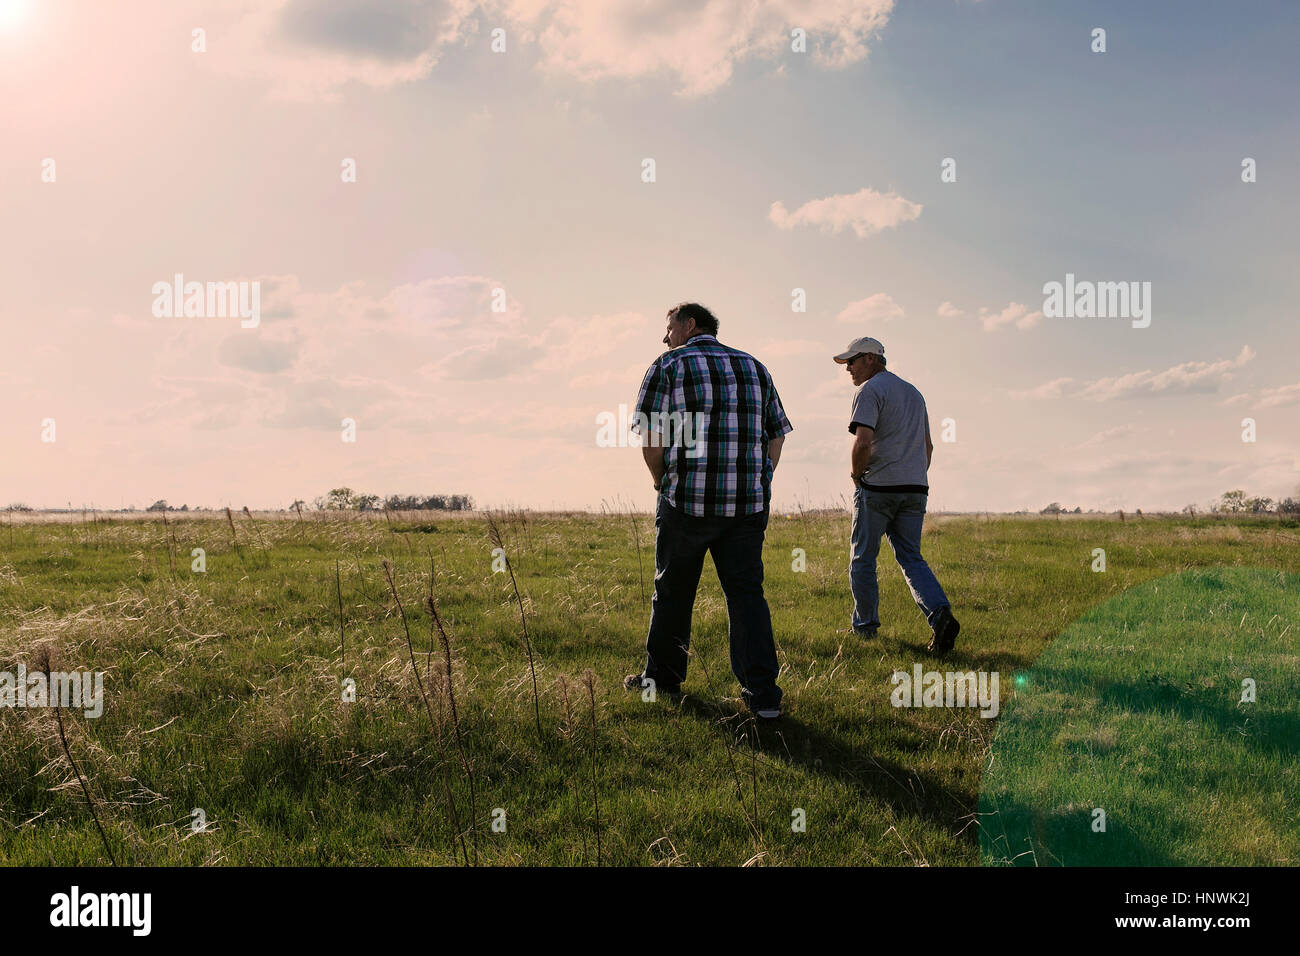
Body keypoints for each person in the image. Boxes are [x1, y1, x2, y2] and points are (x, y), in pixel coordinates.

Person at [624, 303, 793, 718]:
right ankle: (763, 696)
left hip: (687, 503)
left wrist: (660, 481)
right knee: (747, 596)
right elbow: (777, 436)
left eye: (669, 328)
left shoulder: (668, 365)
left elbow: (651, 436)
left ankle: (662, 679)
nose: (665, 337)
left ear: (690, 325)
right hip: (747, 507)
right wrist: (761, 479)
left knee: (673, 592)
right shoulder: (755, 367)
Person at [834, 336, 960, 653]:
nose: (848, 367)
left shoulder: (869, 391)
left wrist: (856, 477)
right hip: (915, 488)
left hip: (877, 489)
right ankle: (940, 615)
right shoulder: (914, 394)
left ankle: (865, 629)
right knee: (911, 558)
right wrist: (913, 474)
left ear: (872, 359)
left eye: (852, 360)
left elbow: (863, 441)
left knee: (863, 559)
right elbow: (928, 447)